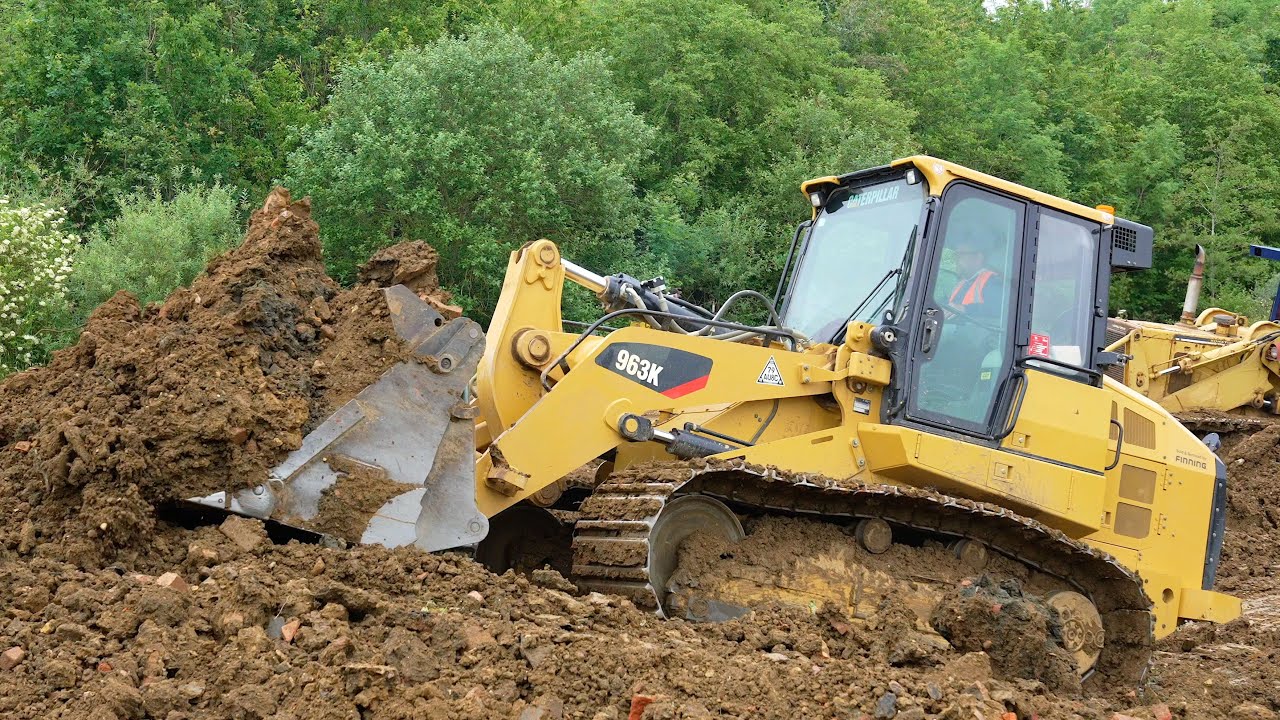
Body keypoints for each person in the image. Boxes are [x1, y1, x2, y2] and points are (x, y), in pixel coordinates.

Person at [946, 233, 1003, 322]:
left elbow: (1000, 309)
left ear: (978, 258)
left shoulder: (992, 281)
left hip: (980, 334)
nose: (956, 259)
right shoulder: (962, 283)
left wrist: (965, 309)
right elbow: (948, 304)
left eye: (961, 254)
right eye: (955, 255)